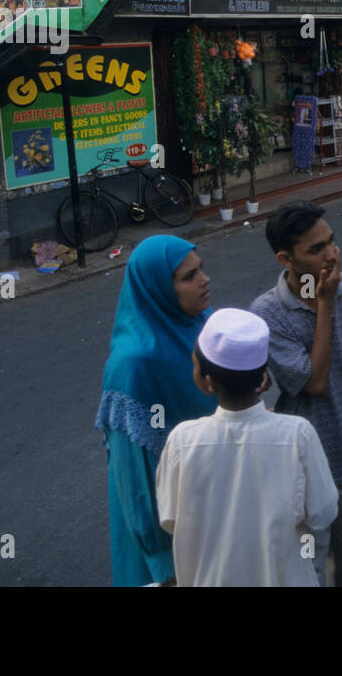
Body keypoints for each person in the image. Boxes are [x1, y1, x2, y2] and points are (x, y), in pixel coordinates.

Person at [250, 201, 342, 587]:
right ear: (285, 258)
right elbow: (314, 382)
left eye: (331, 242)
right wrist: (325, 304)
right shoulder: (268, 313)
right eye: (316, 249)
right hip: (302, 468)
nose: (332, 254)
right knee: (309, 571)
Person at [155, 308, 339, 587]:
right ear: (262, 376)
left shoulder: (183, 441)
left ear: (208, 381)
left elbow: (170, 520)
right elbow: (322, 513)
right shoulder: (298, 435)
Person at [95, 236, 216, 586]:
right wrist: (164, 563)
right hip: (165, 520)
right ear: (157, 290)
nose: (204, 280)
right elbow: (133, 474)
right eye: (188, 276)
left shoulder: (200, 324)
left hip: (211, 496)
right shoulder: (134, 364)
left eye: (201, 269)